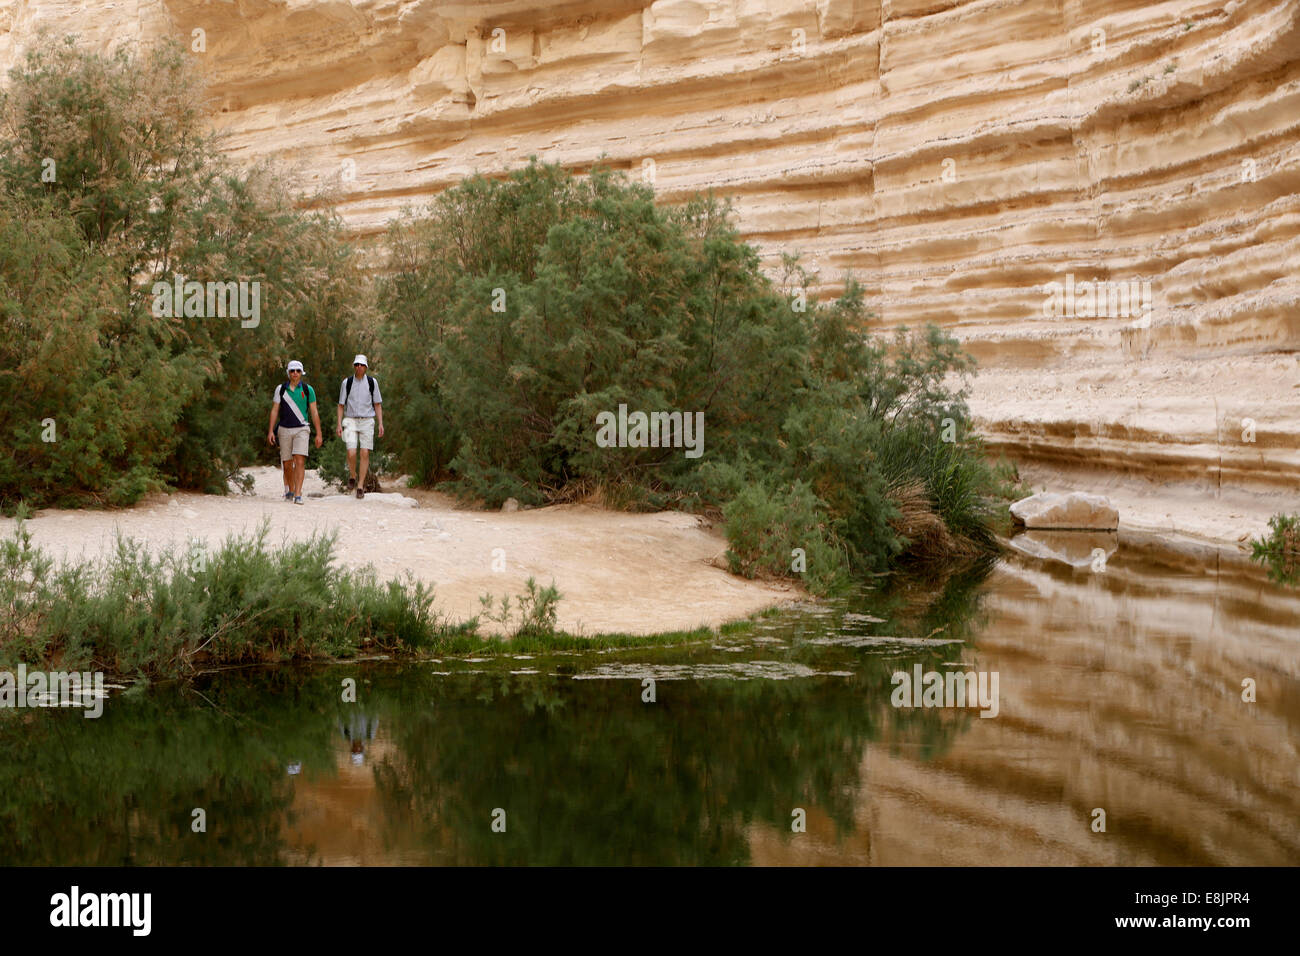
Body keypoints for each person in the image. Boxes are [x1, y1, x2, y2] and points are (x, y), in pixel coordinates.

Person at [267, 360, 323, 505]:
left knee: (299, 460)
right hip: (284, 429)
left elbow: (314, 411)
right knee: (286, 464)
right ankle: (290, 490)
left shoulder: (307, 389)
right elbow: (275, 410)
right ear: (288, 373)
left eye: (298, 371)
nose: (295, 373)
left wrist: (319, 433)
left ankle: (298, 494)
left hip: (302, 429)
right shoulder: (281, 389)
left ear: (302, 373)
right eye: (292, 371)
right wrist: (270, 431)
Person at [336, 354, 384, 499]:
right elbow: (340, 405)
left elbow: (377, 404)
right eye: (357, 365)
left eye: (362, 365)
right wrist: (339, 423)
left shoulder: (372, 382)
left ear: (366, 367)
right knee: (351, 452)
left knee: (364, 452)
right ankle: (352, 475)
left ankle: (360, 485)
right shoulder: (347, 382)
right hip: (350, 419)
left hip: (367, 420)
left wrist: (381, 423)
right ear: (354, 366)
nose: (359, 367)